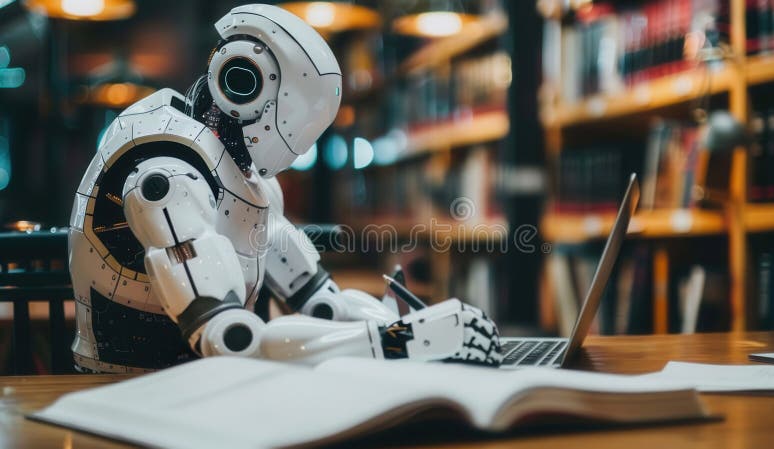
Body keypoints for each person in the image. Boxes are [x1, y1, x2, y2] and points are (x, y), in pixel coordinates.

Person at [68, 4, 501, 373]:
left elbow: (322, 302)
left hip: (208, 387)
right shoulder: (166, 178)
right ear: (244, 84)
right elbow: (229, 339)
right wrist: (400, 342)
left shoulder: (251, 182)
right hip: (134, 387)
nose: (299, 146)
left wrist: (399, 326)